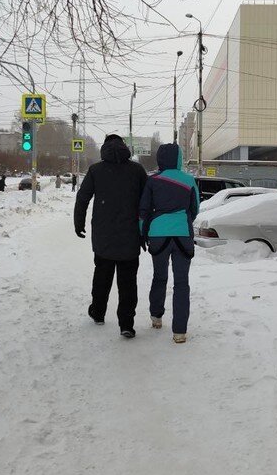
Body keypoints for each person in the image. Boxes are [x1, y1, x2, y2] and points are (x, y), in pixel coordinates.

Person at [74, 134, 148, 339]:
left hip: (103, 236)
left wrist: (78, 223)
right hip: (130, 235)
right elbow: (147, 200)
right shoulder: (137, 170)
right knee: (128, 282)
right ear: (124, 147)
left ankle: (98, 312)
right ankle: (126, 324)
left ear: (105, 147)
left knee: (102, 276)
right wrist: (147, 230)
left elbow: (83, 198)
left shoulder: (96, 170)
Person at [139, 143, 199, 344]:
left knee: (160, 276)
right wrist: (182, 219)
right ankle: (179, 331)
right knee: (182, 283)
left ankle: (156, 316)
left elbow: (143, 211)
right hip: (182, 234)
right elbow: (195, 208)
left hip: (158, 235)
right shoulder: (189, 180)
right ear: (179, 159)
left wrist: (142, 233)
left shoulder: (152, 181)